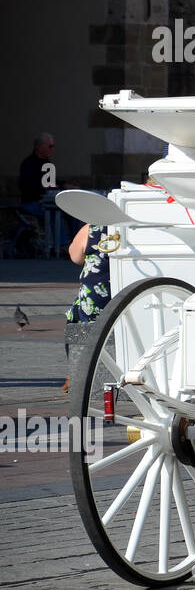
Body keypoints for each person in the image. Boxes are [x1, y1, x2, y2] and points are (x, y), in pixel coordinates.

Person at [62, 223, 111, 394]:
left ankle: (75, 373)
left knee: (74, 316)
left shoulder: (95, 228)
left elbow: (75, 257)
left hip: (97, 303)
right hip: (141, 296)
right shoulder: (151, 226)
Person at [19, 132, 54, 215]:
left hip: (46, 202)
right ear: (40, 147)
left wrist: (63, 185)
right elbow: (26, 187)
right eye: (50, 146)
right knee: (54, 215)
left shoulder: (48, 164)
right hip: (33, 203)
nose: (52, 149)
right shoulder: (28, 164)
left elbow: (52, 183)